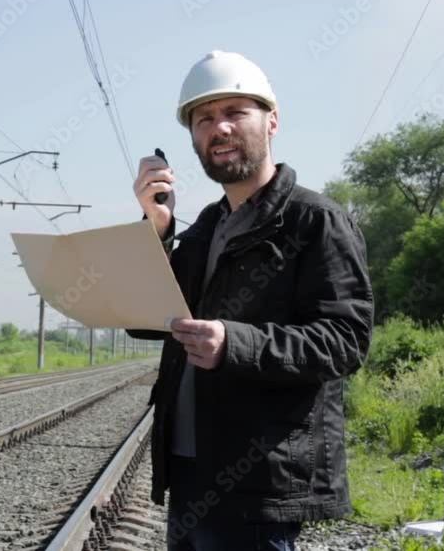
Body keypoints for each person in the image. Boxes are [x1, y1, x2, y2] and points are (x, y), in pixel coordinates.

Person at [127, 50, 374, 551]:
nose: (219, 128)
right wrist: (157, 233)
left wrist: (232, 344)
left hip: (259, 478)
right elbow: (148, 322)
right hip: (192, 470)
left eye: (235, 112)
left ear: (272, 121)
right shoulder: (207, 230)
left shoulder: (315, 221)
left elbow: (345, 341)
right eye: (204, 118)